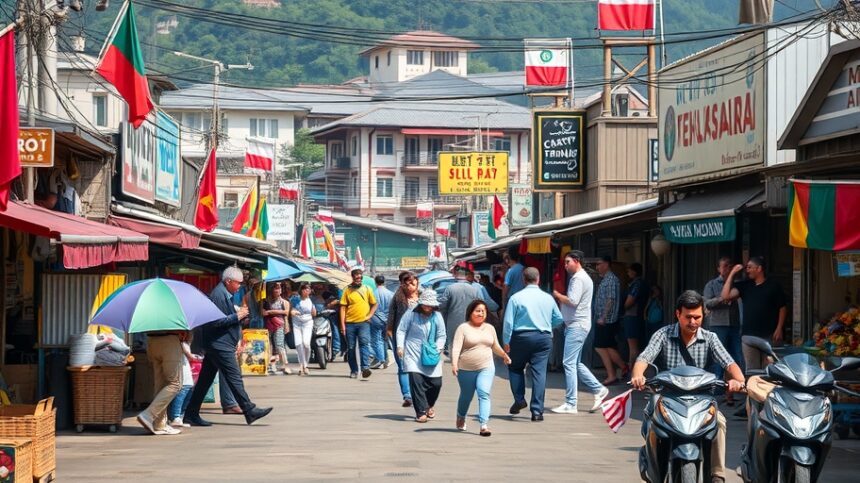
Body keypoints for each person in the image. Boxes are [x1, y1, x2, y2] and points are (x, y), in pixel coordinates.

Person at [630, 290, 745, 483]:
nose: (693, 322)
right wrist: (638, 376)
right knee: (652, 422)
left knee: (720, 422)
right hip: (667, 398)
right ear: (678, 314)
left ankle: (717, 475)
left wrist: (738, 381)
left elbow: (730, 364)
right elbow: (644, 358)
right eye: (688, 317)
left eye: (697, 317)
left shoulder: (710, 338)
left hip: (702, 400)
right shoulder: (663, 335)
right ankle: (653, 469)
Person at [184, 266, 273, 427]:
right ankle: (249, 410)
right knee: (234, 377)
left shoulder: (226, 294)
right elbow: (215, 322)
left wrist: (238, 318)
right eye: (237, 283)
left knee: (205, 380)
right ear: (228, 281)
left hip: (219, 343)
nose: (239, 286)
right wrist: (236, 316)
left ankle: (191, 413)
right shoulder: (219, 295)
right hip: (219, 344)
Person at [551, 250, 609, 414]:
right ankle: (598, 389)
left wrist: (558, 295)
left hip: (577, 325)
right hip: (577, 325)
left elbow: (573, 301)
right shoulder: (583, 278)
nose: (565, 265)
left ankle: (571, 403)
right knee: (574, 363)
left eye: (568, 261)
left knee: (568, 363)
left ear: (577, 261)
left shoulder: (578, 279)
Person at [503, 267, 564, 422]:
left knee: (515, 367)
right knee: (539, 373)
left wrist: (506, 342)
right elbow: (559, 319)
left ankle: (519, 399)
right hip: (543, 338)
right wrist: (547, 325)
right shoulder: (548, 298)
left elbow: (508, 323)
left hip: (520, 337)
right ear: (538, 279)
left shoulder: (515, 298)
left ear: (524, 280)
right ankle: (537, 411)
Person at [451, 300, 511, 436]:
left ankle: (484, 425)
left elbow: (495, 345)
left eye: (483, 311)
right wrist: (454, 364)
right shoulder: (463, 328)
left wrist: (504, 355)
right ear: (471, 312)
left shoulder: (490, 328)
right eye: (478, 310)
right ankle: (461, 416)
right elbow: (456, 348)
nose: (481, 313)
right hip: (465, 368)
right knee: (466, 396)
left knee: (484, 393)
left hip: (486, 367)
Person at [720, 256, 787, 371]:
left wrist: (779, 327)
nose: (747, 270)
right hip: (748, 336)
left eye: (750, 267)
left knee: (770, 369)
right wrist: (732, 274)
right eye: (747, 268)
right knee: (751, 371)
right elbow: (725, 296)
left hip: (769, 335)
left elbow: (782, 307)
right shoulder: (745, 285)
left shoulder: (773, 286)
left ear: (759, 268)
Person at [396, 290, 447, 423]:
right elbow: (401, 330)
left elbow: (442, 335)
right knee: (416, 382)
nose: (427, 308)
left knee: (436, 383)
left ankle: (429, 405)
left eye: (430, 305)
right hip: (413, 352)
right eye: (425, 305)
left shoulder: (437, 316)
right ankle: (421, 412)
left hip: (431, 352)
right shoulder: (412, 313)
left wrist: (438, 347)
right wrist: (400, 346)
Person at [704, 257, 742, 404]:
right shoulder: (712, 285)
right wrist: (722, 299)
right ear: (718, 269)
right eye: (724, 266)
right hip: (718, 324)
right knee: (718, 359)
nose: (727, 269)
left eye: (729, 266)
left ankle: (730, 393)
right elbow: (707, 303)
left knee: (734, 359)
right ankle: (715, 391)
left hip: (734, 325)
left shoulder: (737, 284)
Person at [137, 330, 185, 435]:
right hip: (169, 341)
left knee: (160, 385)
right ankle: (148, 414)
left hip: (151, 341)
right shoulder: (174, 313)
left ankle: (159, 424)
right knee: (175, 383)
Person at [593, 255, 628, 385]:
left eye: (599, 264)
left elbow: (611, 299)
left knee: (600, 346)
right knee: (607, 346)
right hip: (603, 319)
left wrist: (603, 317)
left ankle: (612, 374)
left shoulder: (611, 279)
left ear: (607, 264)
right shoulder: (605, 279)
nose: (597, 267)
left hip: (607, 319)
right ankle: (622, 367)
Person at [387, 272, 421, 407]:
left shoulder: (423, 297)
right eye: (407, 284)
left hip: (419, 337)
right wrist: (389, 331)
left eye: (413, 283)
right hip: (400, 336)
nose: (410, 287)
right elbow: (391, 315)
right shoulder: (397, 298)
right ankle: (407, 396)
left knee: (417, 368)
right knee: (402, 367)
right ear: (402, 284)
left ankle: (418, 394)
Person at [340, 268, 377, 379]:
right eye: (356, 277)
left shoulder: (367, 289)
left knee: (364, 344)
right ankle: (354, 370)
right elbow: (342, 308)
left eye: (360, 277)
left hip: (363, 323)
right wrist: (342, 326)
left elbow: (374, 304)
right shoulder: (347, 290)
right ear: (353, 277)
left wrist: (369, 316)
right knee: (351, 348)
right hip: (349, 323)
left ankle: (365, 368)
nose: (358, 279)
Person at [438, 267, 479, 348]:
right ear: (466, 276)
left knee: (454, 345)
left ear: (456, 276)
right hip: (470, 321)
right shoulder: (474, 289)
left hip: (453, 322)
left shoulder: (450, 288)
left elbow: (442, 305)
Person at [168, 331, 200, 428]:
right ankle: (175, 416)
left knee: (188, 389)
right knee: (184, 388)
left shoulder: (185, 343)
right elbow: (189, 355)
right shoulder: (180, 343)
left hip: (184, 365)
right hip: (180, 366)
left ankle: (179, 416)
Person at [621, 262, 649, 370]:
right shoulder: (642, 283)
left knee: (633, 347)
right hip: (638, 316)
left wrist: (623, 306)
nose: (628, 273)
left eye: (629, 270)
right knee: (635, 346)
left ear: (634, 271)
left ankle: (633, 371)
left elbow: (629, 302)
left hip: (632, 316)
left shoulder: (637, 284)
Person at [262, 282, 291, 375]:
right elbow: (263, 313)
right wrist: (275, 312)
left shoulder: (284, 302)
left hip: (279, 325)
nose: (278, 290)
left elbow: (286, 313)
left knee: (279, 345)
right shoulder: (266, 301)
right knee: (269, 346)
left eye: (279, 288)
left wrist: (270, 311)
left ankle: (285, 365)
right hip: (268, 324)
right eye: (276, 288)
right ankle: (272, 365)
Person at [290, 283, 317, 375]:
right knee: (299, 344)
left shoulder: (311, 299)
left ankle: (306, 363)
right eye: (305, 289)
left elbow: (314, 314)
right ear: (301, 290)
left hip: (308, 323)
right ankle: (302, 365)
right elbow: (291, 310)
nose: (307, 291)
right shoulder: (295, 299)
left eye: (308, 289)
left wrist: (314, 311)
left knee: (306, 344)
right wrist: (293, 312)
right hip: (297, 323)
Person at [370, 275, 394, 369]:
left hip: (376, 318)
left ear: (375, 282)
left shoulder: (373, 293)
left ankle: (380, 359)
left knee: (376, 340)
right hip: (387, 320)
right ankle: (385, 358)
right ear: (384, 282)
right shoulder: (390, 294)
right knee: (384, 340)